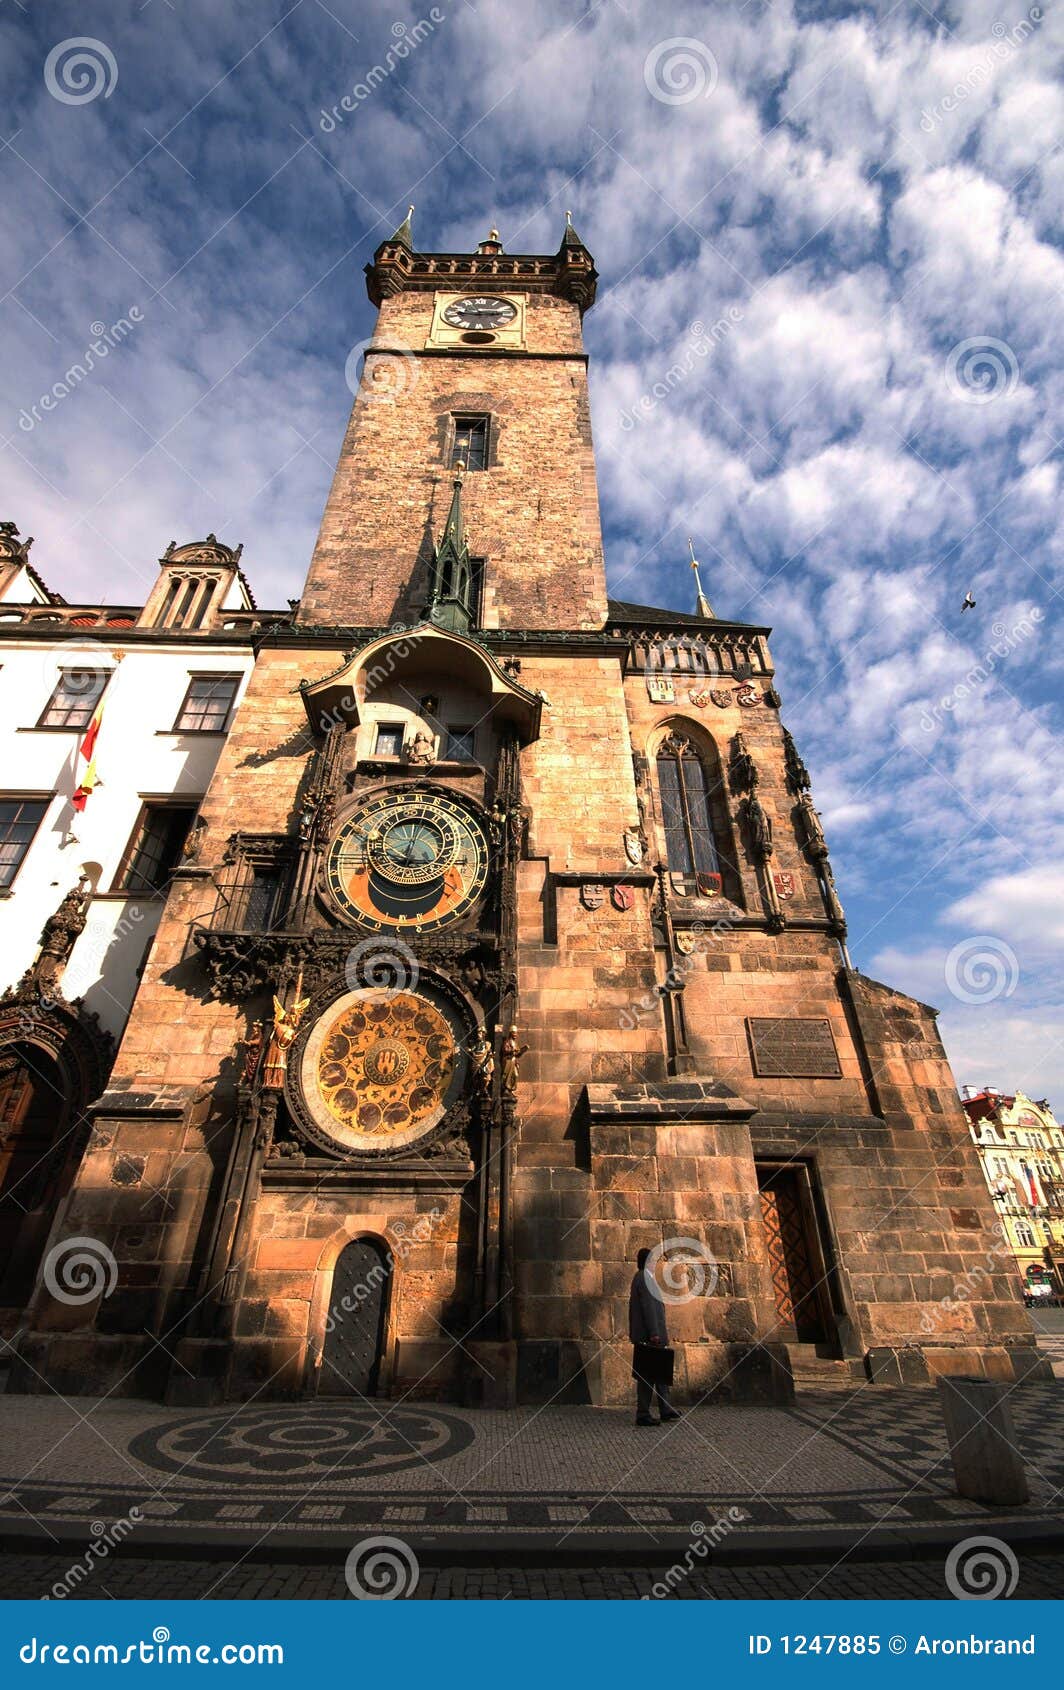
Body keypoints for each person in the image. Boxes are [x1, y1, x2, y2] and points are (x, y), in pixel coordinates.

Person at [628, 1247, 681, 1426]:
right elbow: (648, 1307)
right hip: (650, 1336)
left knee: (660, 1372)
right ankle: (642, 1413)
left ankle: (665, 1408)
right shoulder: (643, 1278)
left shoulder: (645, 1278)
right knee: (648, 1375)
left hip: (651, 1335)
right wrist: (655, 1333)